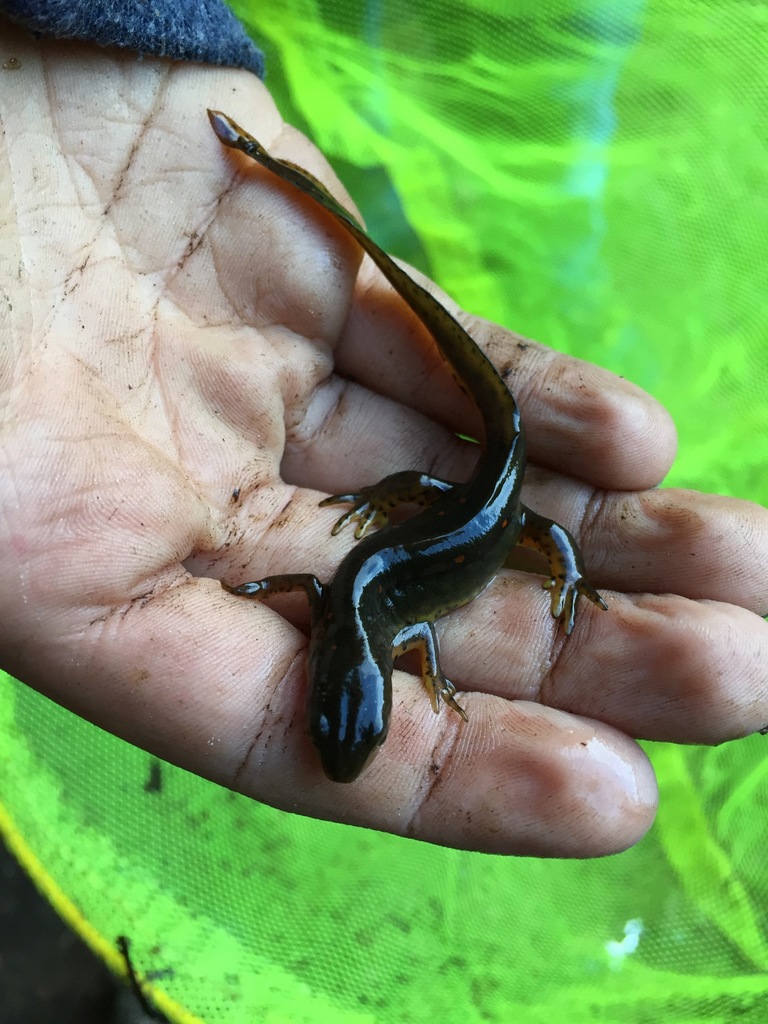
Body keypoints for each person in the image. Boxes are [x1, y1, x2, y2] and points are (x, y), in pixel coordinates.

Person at [1, 8, 766, 858]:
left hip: (472, 514)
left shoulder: (366, 614)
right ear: (343, 676)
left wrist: (276, 578)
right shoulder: (374, 620)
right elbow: (381, 614)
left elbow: (313, 586)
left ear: (333, 675)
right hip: (464, 517)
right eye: (352, 730)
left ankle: (562, 560)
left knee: (527, 518)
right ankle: (553, 557)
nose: (336, 732)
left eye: (335, 728)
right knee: (516, 516)